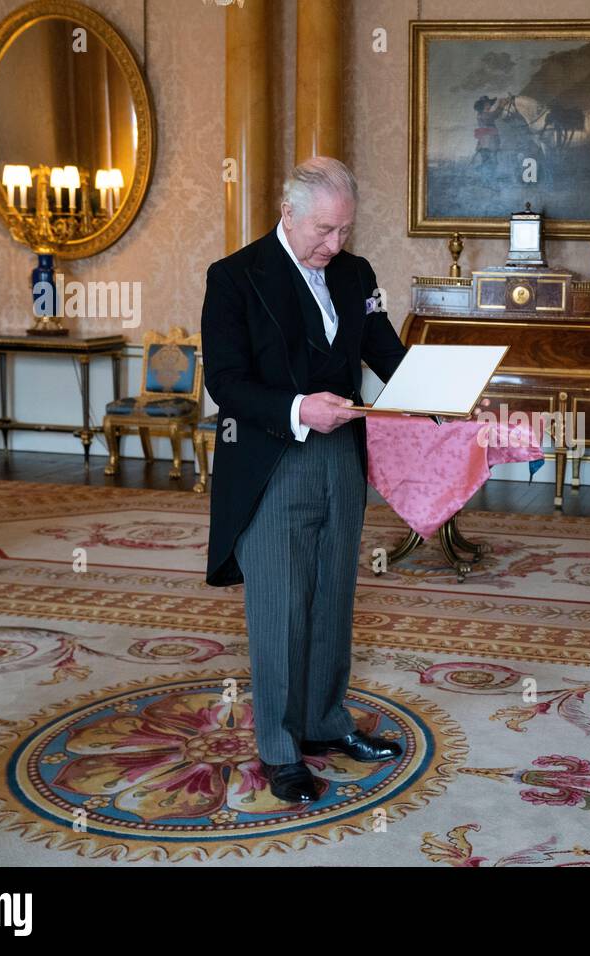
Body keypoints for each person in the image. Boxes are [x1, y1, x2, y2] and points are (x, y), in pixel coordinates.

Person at [201, 157, 407, 803]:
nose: (336, 244)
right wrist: (297, 409)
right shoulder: (234, 277)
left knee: (331, 600)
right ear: (287, 213)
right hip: (272, 461)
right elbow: (226, 383)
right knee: (279, 611)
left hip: (342, 457)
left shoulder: (356, 273)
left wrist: (447, 396)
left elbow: (386, 352)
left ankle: (325, 724)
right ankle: (282, 750)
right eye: (324, 230)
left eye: (345, 230)